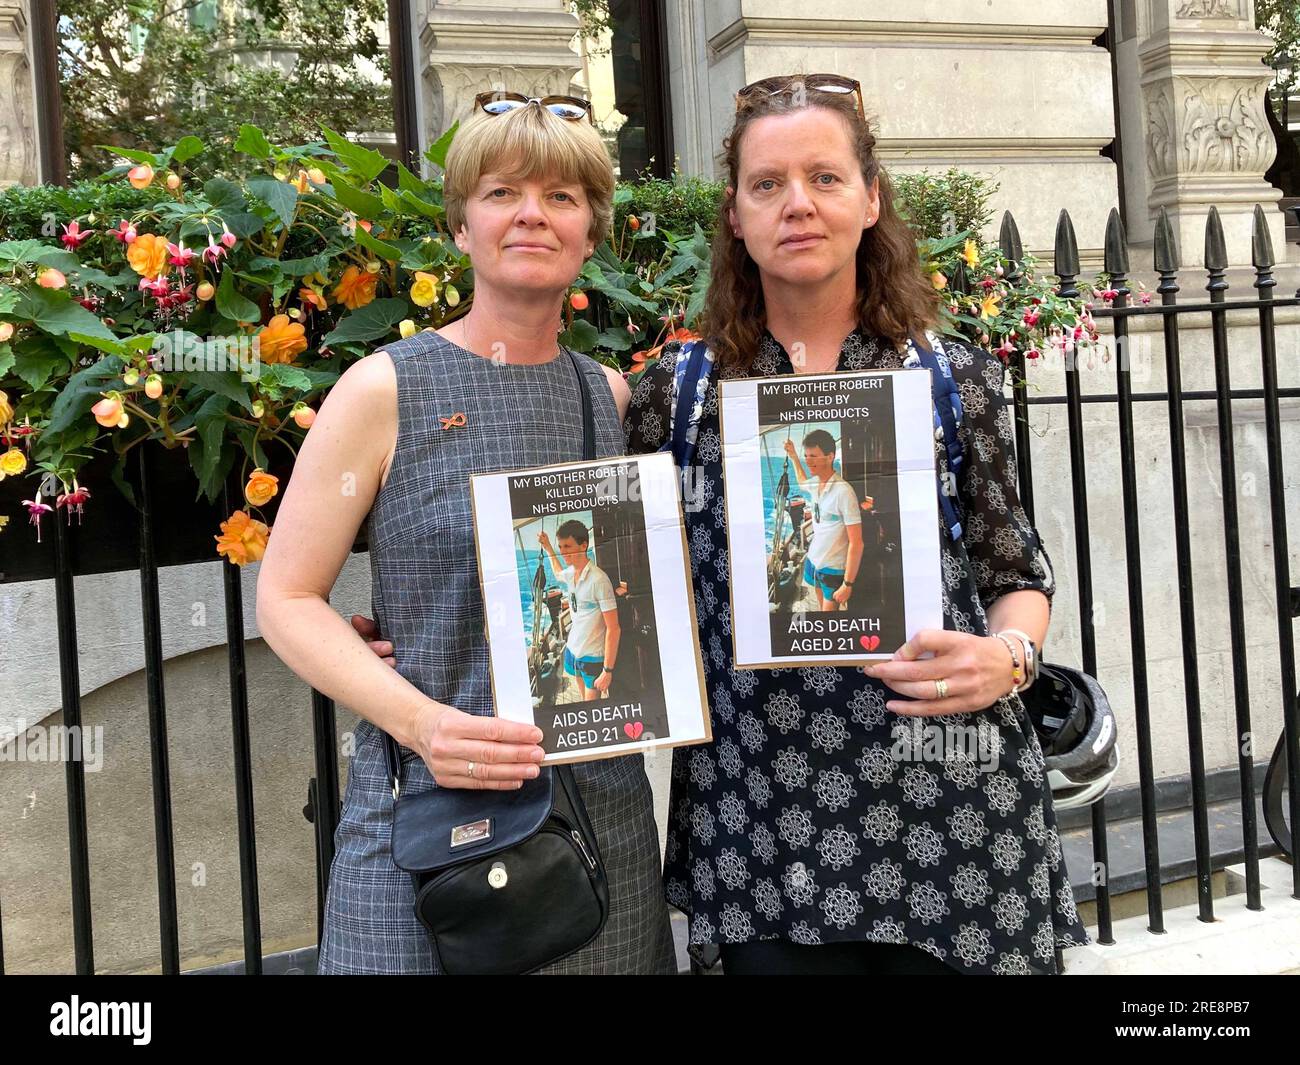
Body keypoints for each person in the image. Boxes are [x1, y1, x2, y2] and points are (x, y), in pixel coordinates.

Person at [624, 73, 1087, 974]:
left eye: (825, 177)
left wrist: (1009, 656)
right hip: (762, 838)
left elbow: (1013, 570)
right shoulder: (672, 399)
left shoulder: (953, 381)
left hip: (954, 819)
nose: (797, 203)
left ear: (871, 199)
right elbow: (631, 598)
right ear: (735, 215)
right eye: (767, 184)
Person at [256, 93, 676, 974]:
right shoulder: (383, 390)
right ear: (459, 226)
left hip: (598, 829)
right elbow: (287, 598)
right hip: (429, 814)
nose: (532, 213)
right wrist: (422, 722)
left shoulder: (608, 397)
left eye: (561, 197)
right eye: (501, 192)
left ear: (591, 233)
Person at [539, 520, 620, 700]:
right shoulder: (571, 573)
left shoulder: (599, 580)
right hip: (572, 650)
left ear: (584, 545)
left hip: (592, 656)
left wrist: (607, 670)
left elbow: (614, 628)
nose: (563, 551)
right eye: (561, 546)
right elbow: (558, 571)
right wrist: (549, 549)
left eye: (567, 546)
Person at [783, 430, 863, 611]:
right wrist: (794, 456)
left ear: (830, 457)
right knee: (820, 610)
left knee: (828, 620)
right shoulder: (816, 483)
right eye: (806, 456)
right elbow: (802, 481)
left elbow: (856, 543)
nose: (809, 461)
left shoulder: (844, 492)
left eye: (814, 456)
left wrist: (848, 584)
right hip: (813, 561)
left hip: (832, 569)